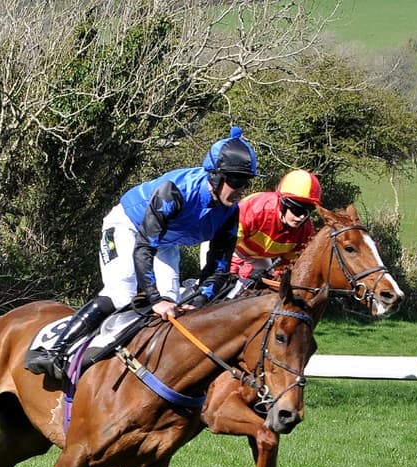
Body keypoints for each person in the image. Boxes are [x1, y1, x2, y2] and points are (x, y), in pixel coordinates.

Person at [24, 126, 260, 381]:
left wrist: (201, 300)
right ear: (214, 176)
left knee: (175, 306)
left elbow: (219, 268)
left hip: (165, 242)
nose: (241, 188)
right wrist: (154, 298)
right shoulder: (174, 191)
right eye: (235, 180)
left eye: (245, 181)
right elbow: (144, 246)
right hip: (128, 227)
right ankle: (55, 349)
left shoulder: (229, 212)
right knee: (121, 291)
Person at [227, 169, 321, 297]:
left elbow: (288, 264)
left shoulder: (305, 230)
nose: (302, 217)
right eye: (297, 210)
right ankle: (193, 302)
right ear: (283, 204)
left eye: (308, 211)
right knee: (220, 284)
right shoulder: (257, 208)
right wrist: (239, 270)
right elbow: (224, 244)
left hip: (258, 257)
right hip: (225, 246)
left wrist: (276, 276)